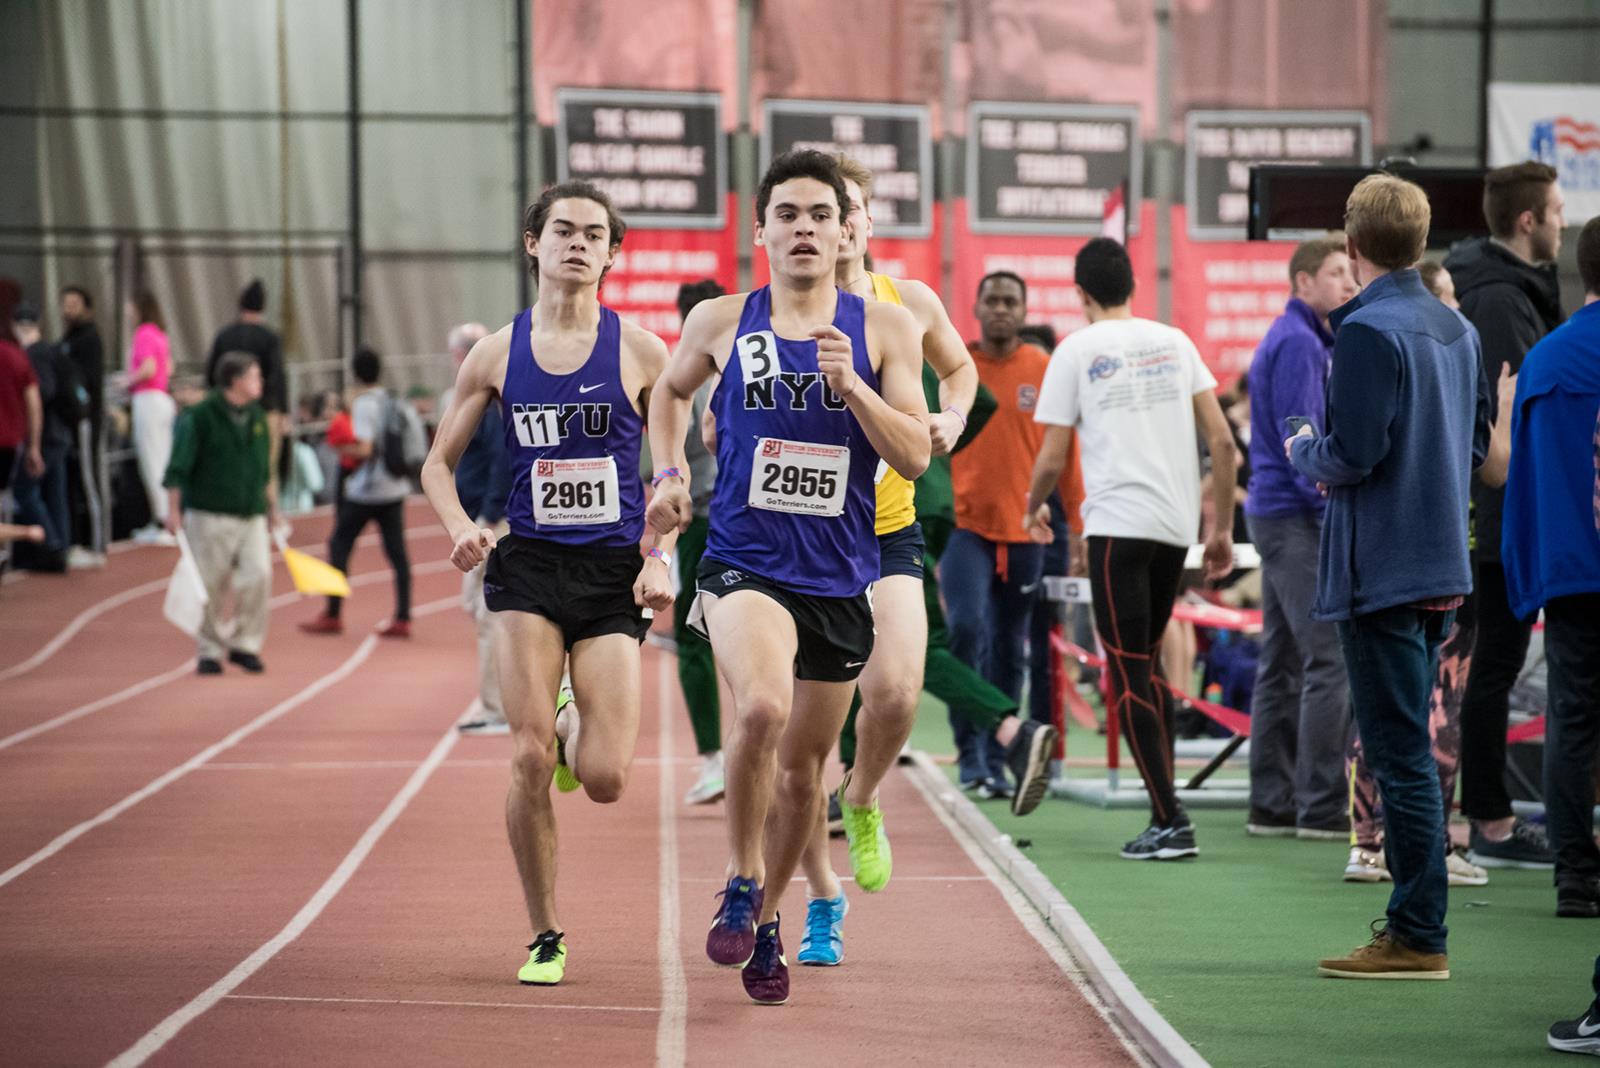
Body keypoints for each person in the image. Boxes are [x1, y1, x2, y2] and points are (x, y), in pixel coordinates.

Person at [647, 150, 929, 1005]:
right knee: (762, 706)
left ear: (849, 231)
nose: (805, 228)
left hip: (841, 575)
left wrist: (855, 390)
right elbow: (666, 394)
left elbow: (913, 454)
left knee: (807, 774)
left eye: (821, 214)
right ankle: (741, 873)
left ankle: (769, 916)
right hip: (743, 561)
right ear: (762, 229)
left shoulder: (883, 330)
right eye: (789, 214)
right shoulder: (722, 321)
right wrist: (667, 476)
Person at [791, 158, 1055, 968]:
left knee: (900, 690)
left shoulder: (908, 302)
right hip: (800, 535)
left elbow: (963, 370)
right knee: (800, 730)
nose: (843, 225)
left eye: (856, 211)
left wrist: (947, 416)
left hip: (888, 527)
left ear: (863, 223)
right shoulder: (781, 311)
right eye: (831, 211)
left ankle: (862, 796)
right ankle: (806, 893)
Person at [421, 180, 675, 988]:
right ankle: (545, 933)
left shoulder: (643, 353)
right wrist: (462, 526)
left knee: (603, 779)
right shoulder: (495, 354)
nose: (577, 243)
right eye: (562, 230)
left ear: (610, 252)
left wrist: (660, 552)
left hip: (608, 577)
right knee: (526, 760)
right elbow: (436, 465)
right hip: (526, 565)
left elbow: (671, 475)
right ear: (533, 243)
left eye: (593, 233)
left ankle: (572, 726)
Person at [1291, 174, 1489, 980]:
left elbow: (1355, 453)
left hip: (1382, 571)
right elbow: (1475, 447)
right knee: (1410, 750)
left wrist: (1306, 448)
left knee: (1400, 754)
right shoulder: (1455, 327)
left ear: (1352, 246)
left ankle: (1417, 932)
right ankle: (1417, 925)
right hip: (1440, 562)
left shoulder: (1370, 333)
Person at [1026, 236, 1235, 861]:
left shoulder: (1074, 349)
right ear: (1134, 287)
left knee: (1127, 671)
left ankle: (1171, 821)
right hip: (1174, 530)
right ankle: (1165, 812)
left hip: (1118, 527)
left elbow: (1053, 455)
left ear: (1081, 293)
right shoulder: (1174, 341)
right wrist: (1220, 528)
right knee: (1141, 668)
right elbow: (1224, 444)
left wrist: (1031, 505)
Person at [1443, 161, 1564, 871]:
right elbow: (1503, 425)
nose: (1563, 220)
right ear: (1528, 221)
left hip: (1500, 514)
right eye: (1554, 209)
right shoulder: (1497, 302)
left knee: (1490, 666)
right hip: (1496, 518)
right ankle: (1488, 819)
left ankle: (1484, 814)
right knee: (1491, 667)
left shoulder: (1507, 293)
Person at [1241, 234, 1360, 838]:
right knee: (1327, 657)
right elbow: (1300, 440)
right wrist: (1326, 500)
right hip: (1292, 515)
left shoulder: (1309, 340)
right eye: (1337, 272)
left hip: (1279, 513)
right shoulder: (1298, 343)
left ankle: (1272, 803)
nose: (1348, 282)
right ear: (1303, 282)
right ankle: (1318, 807)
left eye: (1350, 272)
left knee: (1284, 662)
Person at [945, 271, 1078, 798]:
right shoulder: (956, 367)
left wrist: (1081, 528)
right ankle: (970, 755)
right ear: (976, 307)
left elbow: (1066, 454)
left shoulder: (1043, 369)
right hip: (964, 527)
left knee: (1011, 647)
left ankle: (1000, 759)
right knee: (967, 630)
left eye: (1011, 302)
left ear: (1024, 311)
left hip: (1026, 530)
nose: (1001, 309)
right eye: (992, 300)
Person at [1502, 216, 1600, 921]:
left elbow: (1524, 484)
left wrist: (1524, 573)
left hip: (1571, 571)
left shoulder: (1545, 361)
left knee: (1572, 719)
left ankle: (1575, 875)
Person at [162, 352, 282, 675]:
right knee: (211, 584)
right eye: (254, 376)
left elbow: (264, 468)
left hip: (251, 512)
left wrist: (273, 509)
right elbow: (178, 465)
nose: (260, 382)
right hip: (210, 513)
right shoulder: (200, 416)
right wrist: (173, 510)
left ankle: (246, 644)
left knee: (260, 575)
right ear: (235, 381)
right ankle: (210, 649)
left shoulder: (257, 416)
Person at [662, 279, 731, 804]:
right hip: (751, 519)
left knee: (695, 641)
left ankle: (715, 760)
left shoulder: (681, 377)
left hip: (707, 521)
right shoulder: (743, 359)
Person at [299, 347, 413, 638]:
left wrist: (337, 447)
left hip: (366, 489)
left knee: (338, 545)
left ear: (356, 374)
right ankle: (403, 616)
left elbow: (364, 448)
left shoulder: (364, 404)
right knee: (397, 554)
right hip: (394, 487)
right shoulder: (391, 399)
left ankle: (333, 613)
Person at [439, 322, 515, 736]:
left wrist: (485, 516)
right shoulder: (486, 404)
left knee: (492, 616)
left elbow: (501, 462)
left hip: (490, 523)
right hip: (484, 517)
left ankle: (498, 708)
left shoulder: (486, 406)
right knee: (488, 614)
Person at [208, 279, 289, 513]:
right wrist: (281, 412)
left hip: (226, 411)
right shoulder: (270, 338)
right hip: (265, 410)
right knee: (267, 465)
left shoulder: (225, 336)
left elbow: (212, 375)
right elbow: (277, 377)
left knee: (229, 460)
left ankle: (230, 508)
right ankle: (271, 513)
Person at [11, 304, 73, 569]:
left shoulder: (32, 356)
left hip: (45, 435)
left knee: (26, 491)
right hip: (58, 433)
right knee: (55, 493)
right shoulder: (53, 350)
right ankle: (60, 544)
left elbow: (42, 393)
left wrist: (32, 440)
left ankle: (52, 545)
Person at [58, 285, 105, 566]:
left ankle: (96, 545)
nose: (68, 309)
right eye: (65, 304)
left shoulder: (89, 338)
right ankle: (77, 541)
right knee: (74, 480)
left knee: (88, 479)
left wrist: (82, 409)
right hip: (68, 421)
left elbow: (83, 382)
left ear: (87, 307)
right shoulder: (68, 337)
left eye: (74, 304)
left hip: (85, 420)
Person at [127, 290, 177, 546]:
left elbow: (149, 368)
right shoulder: (160, 333)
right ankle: (167, 517)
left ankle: (162, 520)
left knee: (152, 462)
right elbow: (169, 367)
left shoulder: (144, 333)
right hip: (162, 399)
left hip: (148, 399)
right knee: (163, 460)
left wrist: (125, 381)